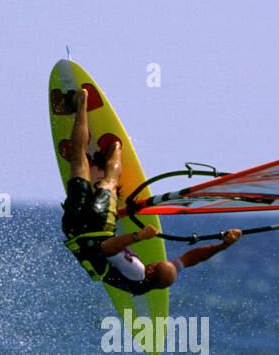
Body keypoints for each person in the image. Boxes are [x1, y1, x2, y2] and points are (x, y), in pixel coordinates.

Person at [59, 89, 240, 295]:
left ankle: (114, 150)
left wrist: (138, 236)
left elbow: (107, 248)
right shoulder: (141, 283)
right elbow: (189, 260)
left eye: (158, 263)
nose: (155, 262)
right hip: (73, 228)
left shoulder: (138, 272)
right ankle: (79, 104)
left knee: (111, 179)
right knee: (78, 160)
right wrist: (222, 246)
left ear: (153, 269)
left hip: (96, 224)